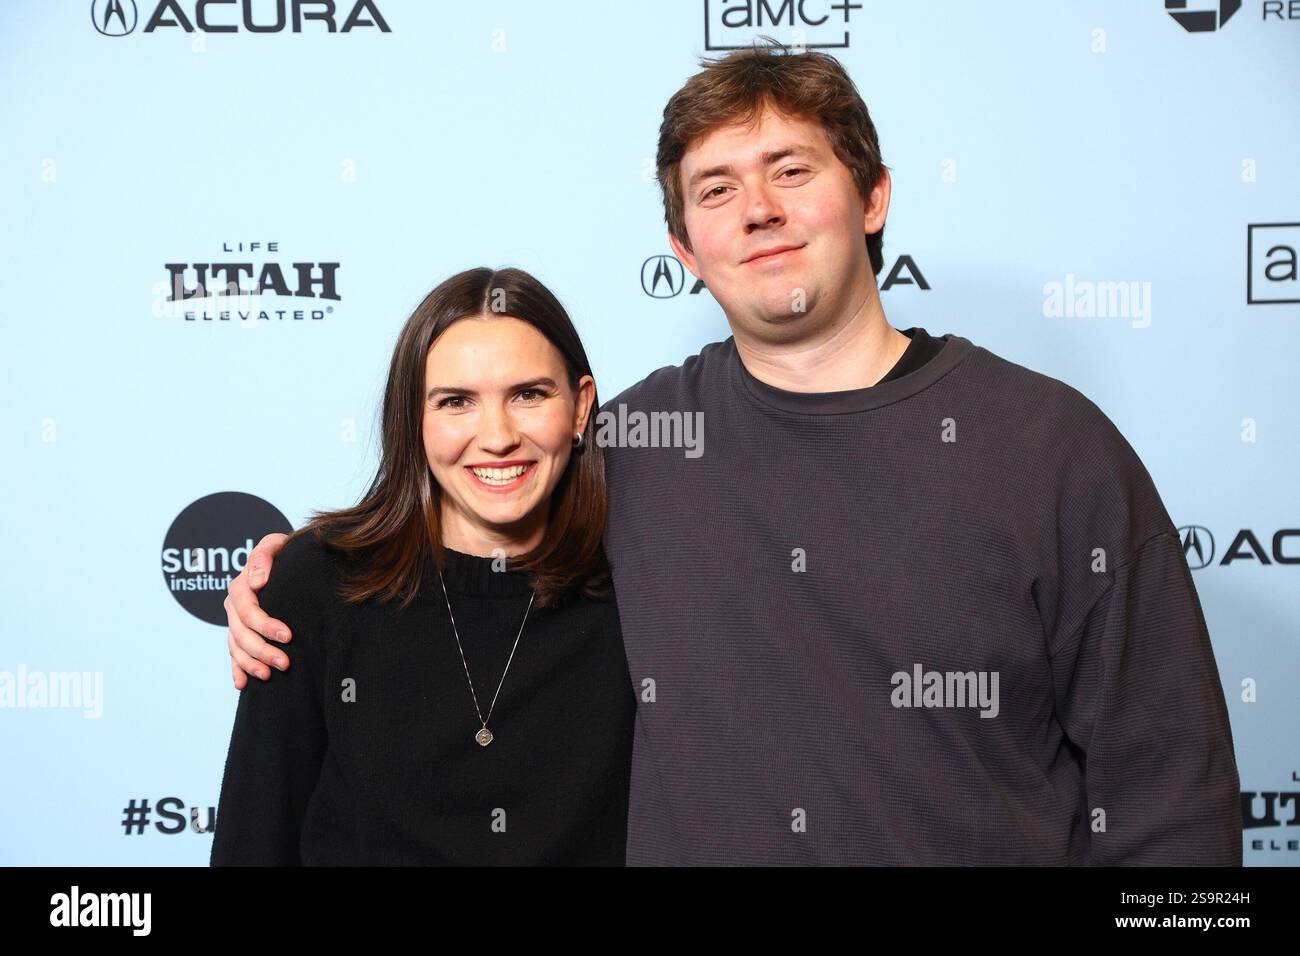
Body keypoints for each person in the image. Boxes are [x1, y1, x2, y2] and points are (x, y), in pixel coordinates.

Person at [224, 42, 1241, 865]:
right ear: (682, 249)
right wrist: (289, 574)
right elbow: (466, 508)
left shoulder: (1051, 447)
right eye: (714, 189)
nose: (756, 209)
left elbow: (1171, 799)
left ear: (874, 195)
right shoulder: (628, 447)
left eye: (791, 170)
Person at [211, 267, 635, 865]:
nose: (497, 437)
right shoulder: (316, 584)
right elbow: (253, 839)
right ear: (415, 418)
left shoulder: (647, 574)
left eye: (529, 395)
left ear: (581, 407)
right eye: (457, 402)